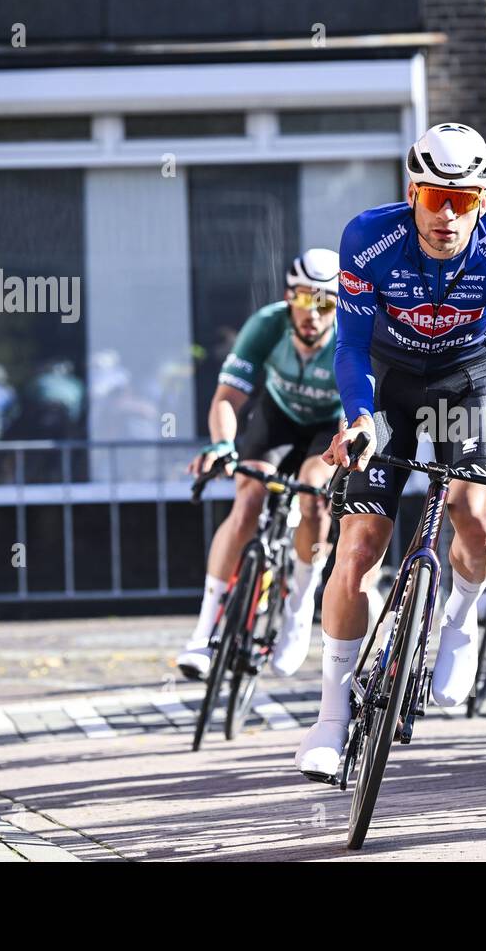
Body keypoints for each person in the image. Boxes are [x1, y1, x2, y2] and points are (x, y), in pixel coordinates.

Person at [294, 123, 486, 780]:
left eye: (464, 200)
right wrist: (358, 421)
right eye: (434, 196)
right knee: (358, 544)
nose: (447, 213)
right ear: (410, 192)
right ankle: (331, 717)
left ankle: (462, 617)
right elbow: (351, 348)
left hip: (469, 380)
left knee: (474, 513)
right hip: (387, 385)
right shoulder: (368, 237)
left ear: (484, 201)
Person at [175, 250, 343, 680]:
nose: (312, 311)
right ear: (289, 297)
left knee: (312, 495)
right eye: (304, 298)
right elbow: (227, 399)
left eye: (325, 300)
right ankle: (202, 632)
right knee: (248, 497)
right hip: (278, 416)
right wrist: (223, 446)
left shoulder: (350, 336)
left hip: (330, 425)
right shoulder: (268, 324)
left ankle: (301, 604)